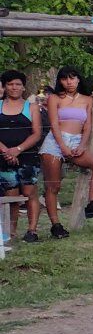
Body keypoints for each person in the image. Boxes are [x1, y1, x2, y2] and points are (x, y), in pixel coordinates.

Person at [38, 65, 93, 232]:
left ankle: (92, 203)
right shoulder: (55, 98)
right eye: (64, 78)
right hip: (56, 141)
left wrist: (82, 145)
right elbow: (54, 123)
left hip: (77, 141)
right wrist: (62, 146)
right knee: (53, 186)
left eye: (72, 77)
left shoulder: (87, 99)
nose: (69, 82)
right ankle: (56, 225)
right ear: (60, 81)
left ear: (78, 79)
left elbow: (88, 125)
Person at [0, 70, 44, 243]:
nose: (14, 87)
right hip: (3, 158)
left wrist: (18, 149)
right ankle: (10, 232)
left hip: (28, 157)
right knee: (10, 195)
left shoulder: (31, 107)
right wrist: (6, 152)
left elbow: (37, 133)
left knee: (29, 191)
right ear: (4, 86)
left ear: (23, 87)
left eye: (18, 84)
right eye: (10, 84)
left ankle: (32, 231)